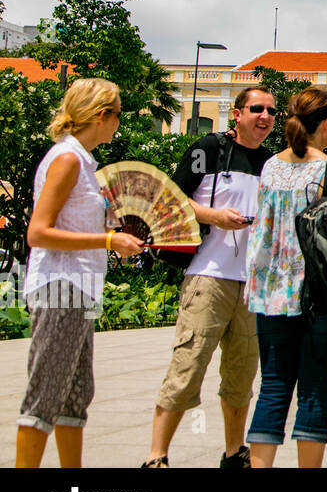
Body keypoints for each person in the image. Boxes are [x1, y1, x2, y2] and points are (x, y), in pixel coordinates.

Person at [142, 85, 275, 469]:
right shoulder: (209, 149)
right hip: (208, 276)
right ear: (237, 113)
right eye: (256, 108)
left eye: (270, 110)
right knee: (188, 366)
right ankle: (156, 456)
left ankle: (235, 454)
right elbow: (170, 197)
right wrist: (214, 217)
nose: (264, 116)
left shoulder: (270, 162)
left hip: (251, 284)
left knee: (241, 375)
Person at [17, 79, 144, 467]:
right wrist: (107, 241)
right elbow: (38, 232)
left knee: (75, 395)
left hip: (79, 288)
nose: (119, 123)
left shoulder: (83, 162)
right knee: (45, 392)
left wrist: (113, 238)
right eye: (118, 114)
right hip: (60, 285)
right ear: (102, 115)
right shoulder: (68, 159)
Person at [243, 86, 327, 468]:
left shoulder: (270, 166)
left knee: (273, 388)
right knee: (314, 391)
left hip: (270, 295)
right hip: (320, 297)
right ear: (326, 125)